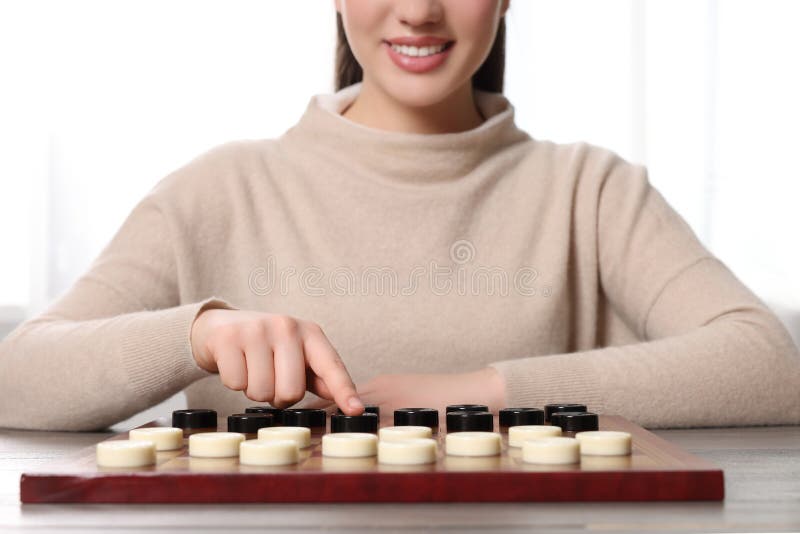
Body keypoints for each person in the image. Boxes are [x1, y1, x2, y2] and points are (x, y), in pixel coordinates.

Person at [1, 0, 799, 431]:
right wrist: (198, 333)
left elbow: (768, 366)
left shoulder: (591, 190)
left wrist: (486, 393)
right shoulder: (215, 191)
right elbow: (17, 380)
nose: (418, 11)